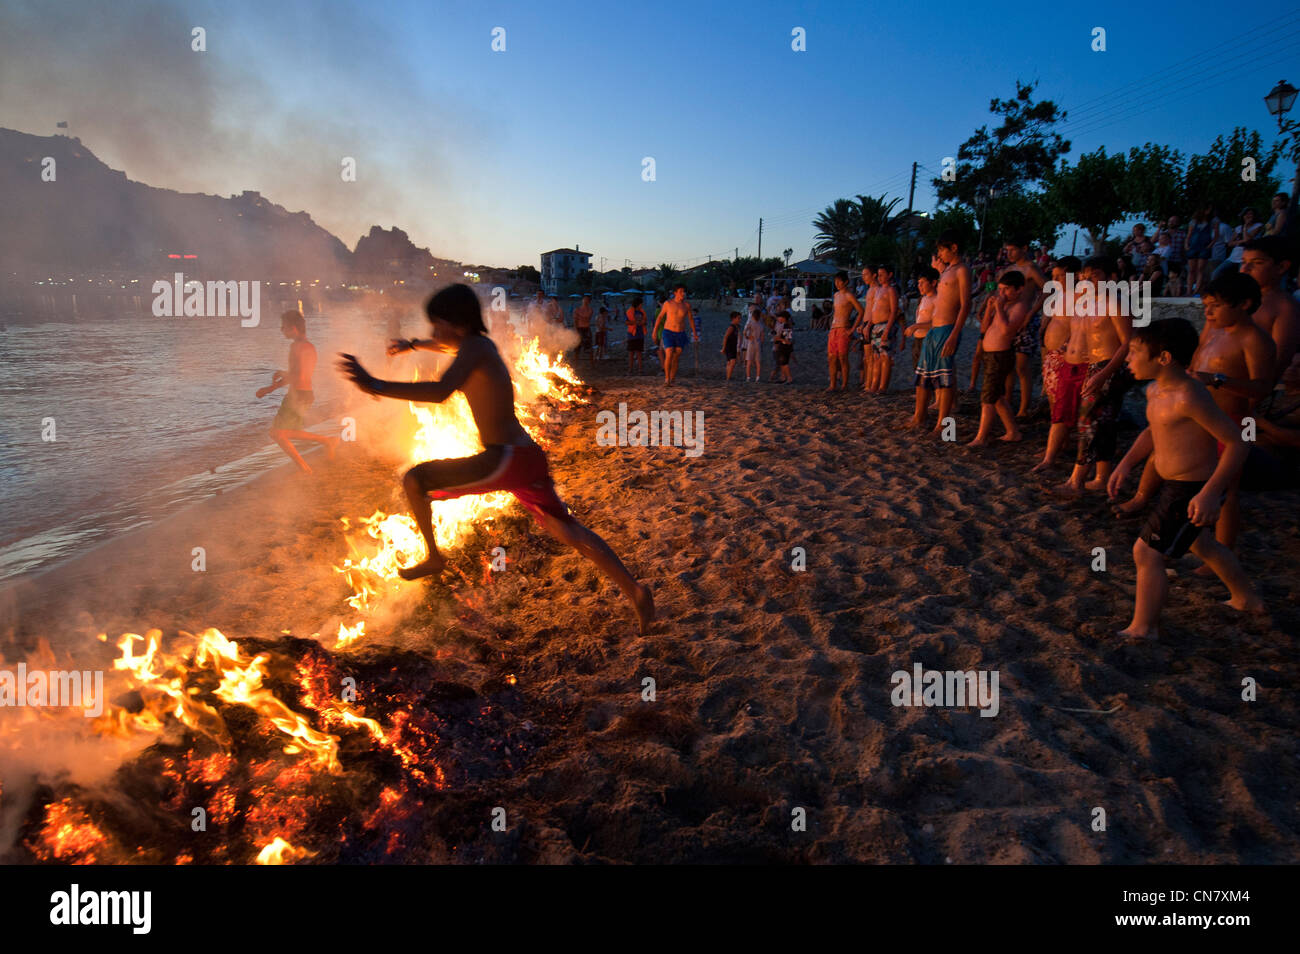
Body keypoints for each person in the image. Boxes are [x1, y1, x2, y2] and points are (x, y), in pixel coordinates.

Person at [337, 284, 655, 632]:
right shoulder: (477, 345)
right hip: (528, 456)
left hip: (505, 459)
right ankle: (636, 591)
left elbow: (440, 392)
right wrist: (412, 345)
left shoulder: (474, 348)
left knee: (415, 480)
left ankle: (434, 556)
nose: (433, 333)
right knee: (569, 530)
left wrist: (374, 385)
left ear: (455, 323)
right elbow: (445, 344)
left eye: (436, 324)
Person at [1107, 318, 1263, 639]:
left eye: (1135, 352)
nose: (1128, 359)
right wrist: (1126, 463)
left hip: (1192, 489)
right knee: (1202, 544)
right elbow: (1153, 431)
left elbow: (1236, 442)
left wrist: (1209, 493)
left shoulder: (1189, 396)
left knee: (1146, 552)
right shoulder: (1154, 391)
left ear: (1163, 358)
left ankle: (1144, 627)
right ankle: (1246, 598)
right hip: (1176, 485)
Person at [1112, 275, 1275, 562]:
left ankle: (1224, 548)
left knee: (1227, 488)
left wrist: (1216, 380)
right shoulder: (1213, 329)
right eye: (1206, 306)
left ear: (1244, 305)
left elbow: (1262, 387)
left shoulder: (1253, 339)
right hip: (1193, 411)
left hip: (1233, 415)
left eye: (1215, 306)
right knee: (1163, 451)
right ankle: (1150, 505)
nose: (1208, 313)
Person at [1053, 256, 1134, 496]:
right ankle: (1101, 477)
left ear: (1111, 278)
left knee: (1087, 422)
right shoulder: (1089, 303)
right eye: (1085, 276)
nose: (1087, 281)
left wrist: (1103, 374)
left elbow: (1128, 343)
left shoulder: (1115, 303)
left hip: (1109, 367)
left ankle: (1076, 481)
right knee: (1104, 425)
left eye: (1095, 276)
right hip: (1095, 366)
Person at [257, 309, 339, 473]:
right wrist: (280, 377)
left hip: (300, 395)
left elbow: (301, 376)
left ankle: (326, 441)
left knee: (279, 433)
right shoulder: (301, 346)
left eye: (284, 327)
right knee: (279, 433)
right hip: (298, 394)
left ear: (293, 328)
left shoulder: (302, 348)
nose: (282, 330)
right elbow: (295, 375)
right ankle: (305, 466)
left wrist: (270, 388)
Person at [907, 231, 971, 433]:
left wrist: (954, 334)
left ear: (954, 248)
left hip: (947, 329)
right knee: (923, 375)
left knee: (944, 379)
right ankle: (919, 416)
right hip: (934, 329)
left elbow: (965, 304)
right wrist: (938, 268)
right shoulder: (946, 272)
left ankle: (944, 426)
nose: (939, 254)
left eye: (942, 250)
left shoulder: (962, 270)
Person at [968, 271, 1029, 445]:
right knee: (997, 397)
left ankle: (981, 437)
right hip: (991, 355)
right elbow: (984, 328)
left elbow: (1006, 331)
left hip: (1001, 355)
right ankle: (1013, 431)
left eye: (1007, 290)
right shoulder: (1004, 305)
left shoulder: (1019, 307)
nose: (1002, 294)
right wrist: (989, 308)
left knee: (987, 398)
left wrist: (999, 308)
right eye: (1000, 289)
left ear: (1019, 289)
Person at [1240, 236, 1300, 379]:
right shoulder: (1235, 300)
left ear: (1281, 267)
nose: (1245, 269)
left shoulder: (1284, 308)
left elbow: (1278, 361)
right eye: (1243, 262)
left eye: (1257, 263)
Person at [1001, 237, 1047, 418]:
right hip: (1009, 319)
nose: (1009, 253)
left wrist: (1032, 311)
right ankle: (1008, 401)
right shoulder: (1010, 269)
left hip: (1026, 320)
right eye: (1007, 250)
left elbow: (1048, 289)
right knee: (1008, 366)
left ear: (1024, 248)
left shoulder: (1031, 268)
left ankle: (1023, 408)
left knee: (1022, 366)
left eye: (1012, 249)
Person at [651, 284, 698, 386]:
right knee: (669, 352)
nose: (683, 293)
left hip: (680, 333)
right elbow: (659, 317)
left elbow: (690, 320)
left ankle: (672, 378)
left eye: (684, 291)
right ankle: (667, 379)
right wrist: (654, 331)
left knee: (676, 356)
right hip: (668, 332)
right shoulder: (668, 303)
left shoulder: (686, 305)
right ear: (675, 293)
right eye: (681, 291)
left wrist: (694, 333)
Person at [865, 264, 900, 393]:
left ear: (889, 275)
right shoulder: (878, 290)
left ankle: (883, 386)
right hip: (875, 326)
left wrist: (887, 329)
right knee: (876, 356)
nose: (879, 277)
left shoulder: (891, 290)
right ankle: (875, 384)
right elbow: (873, 310)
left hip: (886, 325)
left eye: (882, 275)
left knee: (885, 356)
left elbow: (893, 310)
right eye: (878, 275)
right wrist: (869, 325)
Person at [828, 270, 863, 391]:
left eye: (839, 281)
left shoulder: (849, 295)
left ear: (846, 282)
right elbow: (835, 313)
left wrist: (852, 329)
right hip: (834, 329)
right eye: (836, 281)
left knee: (843, 357)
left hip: (844, 328)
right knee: (832, 357)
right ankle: (833, 384)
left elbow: (860, 311)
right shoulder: (836, 295)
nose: (837, 283)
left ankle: (844, 384)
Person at [1211, 208, 1263, 281]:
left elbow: (1248, 240)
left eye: (1250, 214)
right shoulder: (1238, 228)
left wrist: (1245, 228)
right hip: (1233, 256)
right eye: (1246, 214)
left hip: (1245, 256)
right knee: (1216, 273)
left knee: (1241, 278)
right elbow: (1230, 243)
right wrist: (1242, 241)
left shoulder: (1258, 226)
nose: (1248, 216)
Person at [907, 266, 939, 371]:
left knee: (926, 372)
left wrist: (916, 326)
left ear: (933, 283)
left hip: (928, 340)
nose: (919, 286)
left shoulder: (936, 300)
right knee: (917, 371)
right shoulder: (923, 299)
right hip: (917, 340)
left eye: (922, 283)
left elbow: (937, 323)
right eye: (918, 283)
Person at [1185, 207, 1213, 294]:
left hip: (1204, 246)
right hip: (1194, 246)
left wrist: (1210, 245)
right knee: (1191, 269)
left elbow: (1215, 235)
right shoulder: (1194, 221)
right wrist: (1186, 244)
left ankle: (1196, 290)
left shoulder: (1212, 222)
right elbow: (1189, 234)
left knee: (1200, 269)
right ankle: (1189, 290)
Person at [742, 306, 765, 382]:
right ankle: (757, 377)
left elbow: (744, 332)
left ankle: (748, 377)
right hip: (758, 342)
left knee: (749, 360)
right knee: (758, 361)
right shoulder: (761, 324)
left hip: (751, 342)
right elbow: (762, 337)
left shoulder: (750, 322)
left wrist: (747, 337)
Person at [771, 310, 794, 383]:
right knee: (782, 363)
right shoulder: (785, 325)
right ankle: (784, 378)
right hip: (783, 347)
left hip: (785, 347)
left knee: (784, 364)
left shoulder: (786, 326)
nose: (778, 318)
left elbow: (788, 340)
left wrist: (778, 338)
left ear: (783, 318)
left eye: (779, 317)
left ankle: (789, 378)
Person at [625, 296, 647, 374]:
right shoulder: (630, 312)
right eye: (641, 304)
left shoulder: (642, 312)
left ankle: (640, 369)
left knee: (639, 353)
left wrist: (643, 323)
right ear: (638, 304)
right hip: (632, 334)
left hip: (640, 335)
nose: (642, 305)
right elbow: (626, 322)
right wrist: (635, 322)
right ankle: (630, 369)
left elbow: (645, 322)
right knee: (631, 353)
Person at [721, 311, 741, 381]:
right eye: (738, 318)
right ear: (733, 319)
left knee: (729, 362)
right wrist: (723, 348)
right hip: (729, 346)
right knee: (732, 362)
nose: (739, 320)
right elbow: (725, 337)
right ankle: (728, 378)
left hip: (733, 346)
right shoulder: (731, 327)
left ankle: (728, 377)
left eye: (740, 318)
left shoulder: (737, 326)